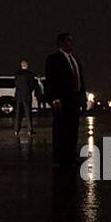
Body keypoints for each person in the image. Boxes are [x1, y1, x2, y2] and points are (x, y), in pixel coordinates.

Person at [45, 32, 85, 167]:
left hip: (74, 99)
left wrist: (82, 99)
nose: (71, 44)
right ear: (61, 43)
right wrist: (54, 98)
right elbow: (50, 79)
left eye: (71, 41)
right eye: (68, 41)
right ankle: (59, 158)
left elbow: (81, 81)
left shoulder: (75, 60)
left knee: (73, 129)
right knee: (61, 129)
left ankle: (71, 156)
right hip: (62, 99)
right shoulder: (54, 59)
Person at [13, 58, 43, 135]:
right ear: (27, 65)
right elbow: (32, 85)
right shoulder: (30, 74)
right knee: (28, 113)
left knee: (18, 113)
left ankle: (16, 130)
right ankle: (30, 130)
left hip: (18, 95)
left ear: (21, 66)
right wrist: (29, 91)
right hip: (26, 95)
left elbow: (16, 84)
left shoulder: (17, 74)